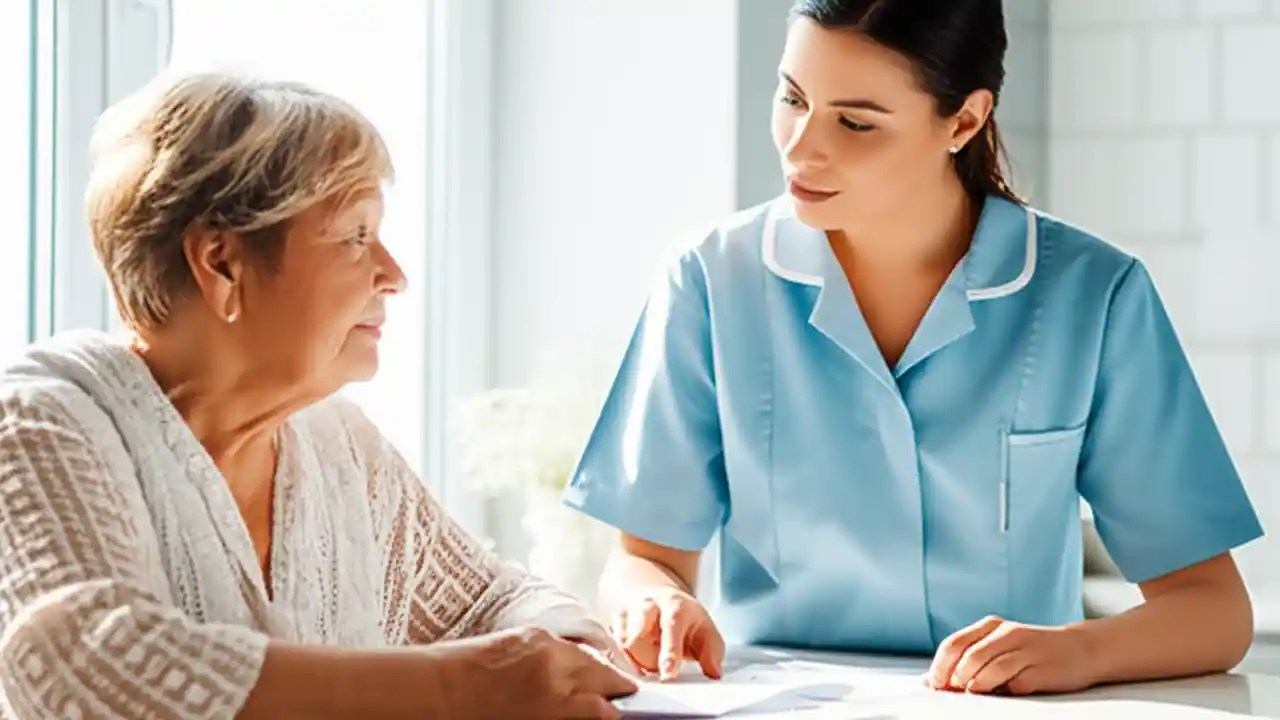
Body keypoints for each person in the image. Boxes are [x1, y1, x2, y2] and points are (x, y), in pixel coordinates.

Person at [564, 0, 1263, 697]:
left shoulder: (1095, 295)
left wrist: (1077, 652)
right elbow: (643, 559)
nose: (802, 145)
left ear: (963, 120)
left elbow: (1213, 610)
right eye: (792, 97)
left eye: (856, 122)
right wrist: (651, 603)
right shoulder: (709, 279)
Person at [0, 73, 634, 719]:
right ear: (221, 262)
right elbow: (81, 662)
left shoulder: (337, 444)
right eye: (356, 236)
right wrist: (454, 689)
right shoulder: (41, 420)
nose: (393, 274)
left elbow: (486, 605)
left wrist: (568, 657)